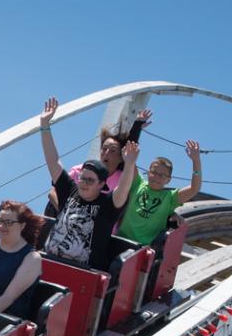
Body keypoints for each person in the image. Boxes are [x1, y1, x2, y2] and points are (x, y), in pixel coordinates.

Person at [41, 142, 138, 271]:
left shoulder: (108, 205)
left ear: (101, 184)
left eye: (90, 180)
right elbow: (53, 161)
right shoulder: (70, 190)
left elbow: (123, 188)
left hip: (83, 272)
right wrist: (45, 127)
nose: (84, 183)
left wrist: (130, 163)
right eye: (82, 178)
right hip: (48, 260)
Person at [39, 96, 151, 199]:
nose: (106, 152)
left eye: (112, 151)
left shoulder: (121, 181)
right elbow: (54, 168)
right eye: (104, 148)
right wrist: (44, 124)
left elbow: (129, 155)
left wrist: (136, 127)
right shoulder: (81, 170)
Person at [116, 141, 203, 247]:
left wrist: (196, 160)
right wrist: (136, 127)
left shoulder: (170, 198)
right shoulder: (137, 183)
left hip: (142, 248)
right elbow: (129, 157)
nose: (157, 177)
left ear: (168, 180)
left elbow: (194, 188)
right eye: (154, 173)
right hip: (119, 238)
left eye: (162, 175)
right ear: (148, 173)